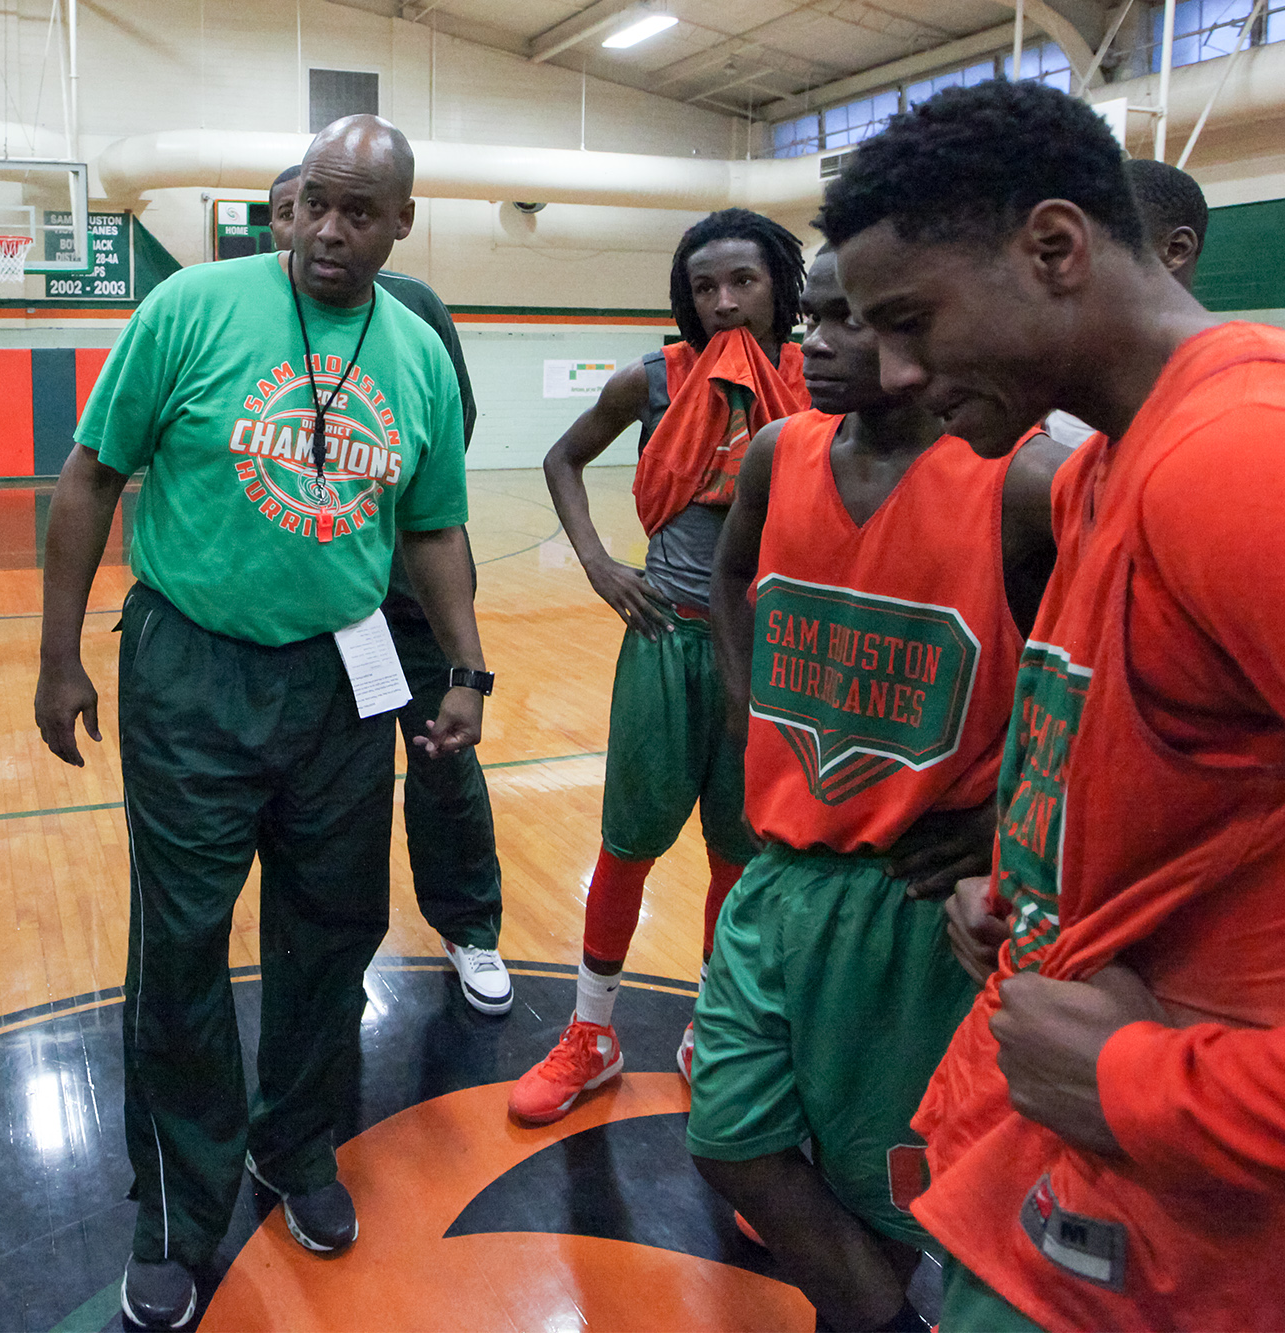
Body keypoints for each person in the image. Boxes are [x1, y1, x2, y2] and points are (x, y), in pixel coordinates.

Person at [820, 79, 1285, 1332]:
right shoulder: (1098, 473)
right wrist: (1034, 899)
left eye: (909, 320)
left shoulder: (1236, 464)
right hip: (1076, 1201)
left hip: (1182, 1241)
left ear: (1054, 247)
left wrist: (1148, 1083)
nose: (896, 371)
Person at [36, 115, 484, 1329]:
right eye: (312, 205)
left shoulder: (417, 355)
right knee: (179, 943)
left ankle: (297, 1147)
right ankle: (176, 1208)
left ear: (400, 223)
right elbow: (88, 475)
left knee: (331, 929)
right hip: (190, 668)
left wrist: (466, 669)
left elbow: (433, 528)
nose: (328, 232)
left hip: (344, 679)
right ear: (283, 210)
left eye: (358, 212)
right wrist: (58, 653)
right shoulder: (188, 309)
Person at [692, 248, 1064, 1330]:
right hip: (780, 873)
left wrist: (1011, 815)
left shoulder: (1021, 482)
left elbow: (1107, 677)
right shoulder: (775, 452)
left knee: (896, 1189)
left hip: (912, 901)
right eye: (813, 316)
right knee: (726, 1137)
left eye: (852, 320)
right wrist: (740, 695)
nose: (814, 340)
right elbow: (726, 571)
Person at [511, 209, 808, 1124]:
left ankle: (712, 1025)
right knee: (627, 845)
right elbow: (563, 457)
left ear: (779, 288)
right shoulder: (651, 380)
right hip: (666, 638)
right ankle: (592, 1034)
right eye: (705, 286)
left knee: (738, 851)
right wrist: (600, 565)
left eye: (743, 283)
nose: (722, 302)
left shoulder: (819, 379)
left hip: (771, 651)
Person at [272, 164, 510, 1016]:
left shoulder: (412, 308)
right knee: (330, 788)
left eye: (349, 212)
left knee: (442, 765)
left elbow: (447, 430)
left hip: (407, 601)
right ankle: (329, 943)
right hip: (313, 613)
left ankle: (470, 925)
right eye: (295, 215)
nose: (314, 234)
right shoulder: (252, 310)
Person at [1045, 157, 1210, 447]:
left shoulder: (1247, 392)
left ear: (1175, 249)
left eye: (1098, 242)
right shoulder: (1097, 426)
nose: (1068, 265)